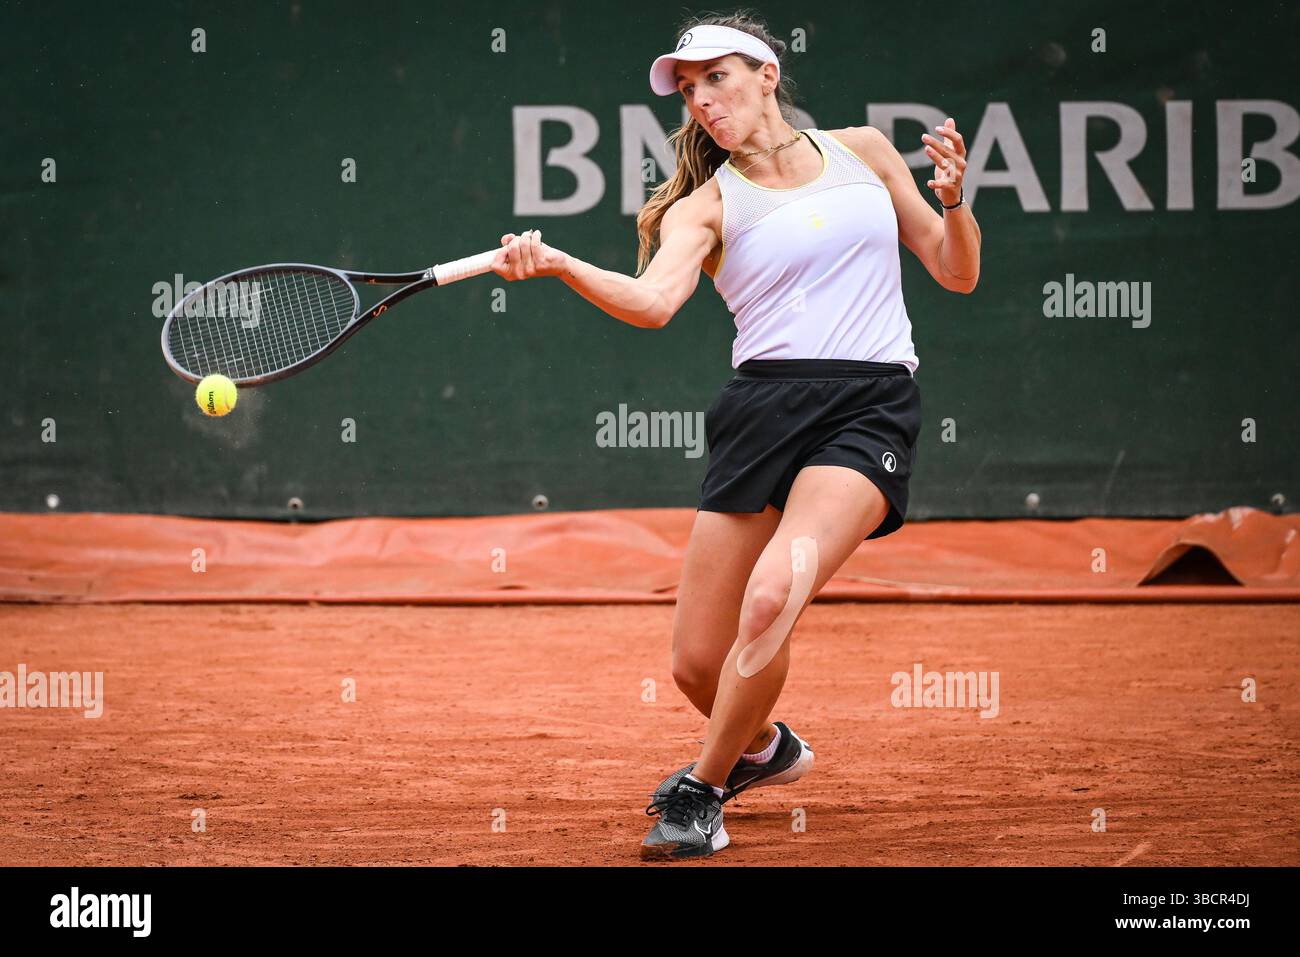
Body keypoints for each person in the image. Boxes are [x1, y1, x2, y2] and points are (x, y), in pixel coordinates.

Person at [490, 11, 981, 860]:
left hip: (868, 406)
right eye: (688, 90)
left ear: (766, 72)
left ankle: (703, 790)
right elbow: (650, 304)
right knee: (694, 666)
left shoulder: (863, 150)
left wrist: (954, 202)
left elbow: (955, 270)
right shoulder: (706, 205)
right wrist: (564, 265)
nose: (703, 101)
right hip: (761, 412)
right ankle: (763, 748)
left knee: (771, 595)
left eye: (716, 78)